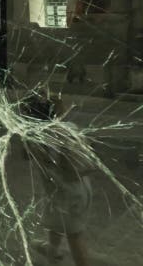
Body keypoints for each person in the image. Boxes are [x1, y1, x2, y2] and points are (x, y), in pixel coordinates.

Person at [23, 94, 93, 266]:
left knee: (75, 238)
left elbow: (25, 155)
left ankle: (55, 254)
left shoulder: (35, 139)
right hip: (80, 188)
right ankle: (52, 253)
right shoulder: (69, 127)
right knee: (56, 225)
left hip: (66, 196)